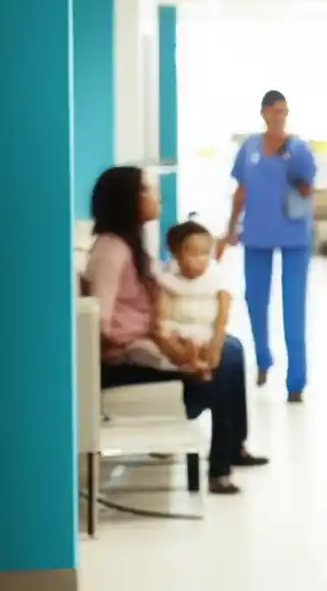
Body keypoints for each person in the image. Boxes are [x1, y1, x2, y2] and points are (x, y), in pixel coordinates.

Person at [86, 166, 266, 495]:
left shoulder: (130, 246)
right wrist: (162, 339)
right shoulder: (112, 251)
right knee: (225, 359)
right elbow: (101, 325)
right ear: (129, 200)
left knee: (230, 347)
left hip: (143, 349)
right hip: (123, 363)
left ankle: (231, 450)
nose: (157, 197)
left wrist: (170, 338)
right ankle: (220, 469)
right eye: (148, 190)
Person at [218, 89, 317, 402]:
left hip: (293, 235)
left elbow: (306, 187)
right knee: (255, 300)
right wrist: (229, 231)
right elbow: (240, 191)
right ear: (263, 112)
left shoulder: (298, 148)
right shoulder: (248, 148)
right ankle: (262, 359)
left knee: (293, 306)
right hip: (257, 233)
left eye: (284, 112)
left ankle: (296, 380)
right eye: (275, 111)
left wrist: (291, 162)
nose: (279, 117)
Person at [156, 219, 231, 379]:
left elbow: (222, 316)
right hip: (179, 331)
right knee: (172, 344)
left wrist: (216, 342)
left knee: (214, 350)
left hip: (206, 331)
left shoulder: (217, 280)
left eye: (205, 254)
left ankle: (201, 364)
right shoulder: (168, 281)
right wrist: (167, 335)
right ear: (176, 255)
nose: (201, 259)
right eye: (194, 254)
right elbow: (161, 315)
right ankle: (191, 362)